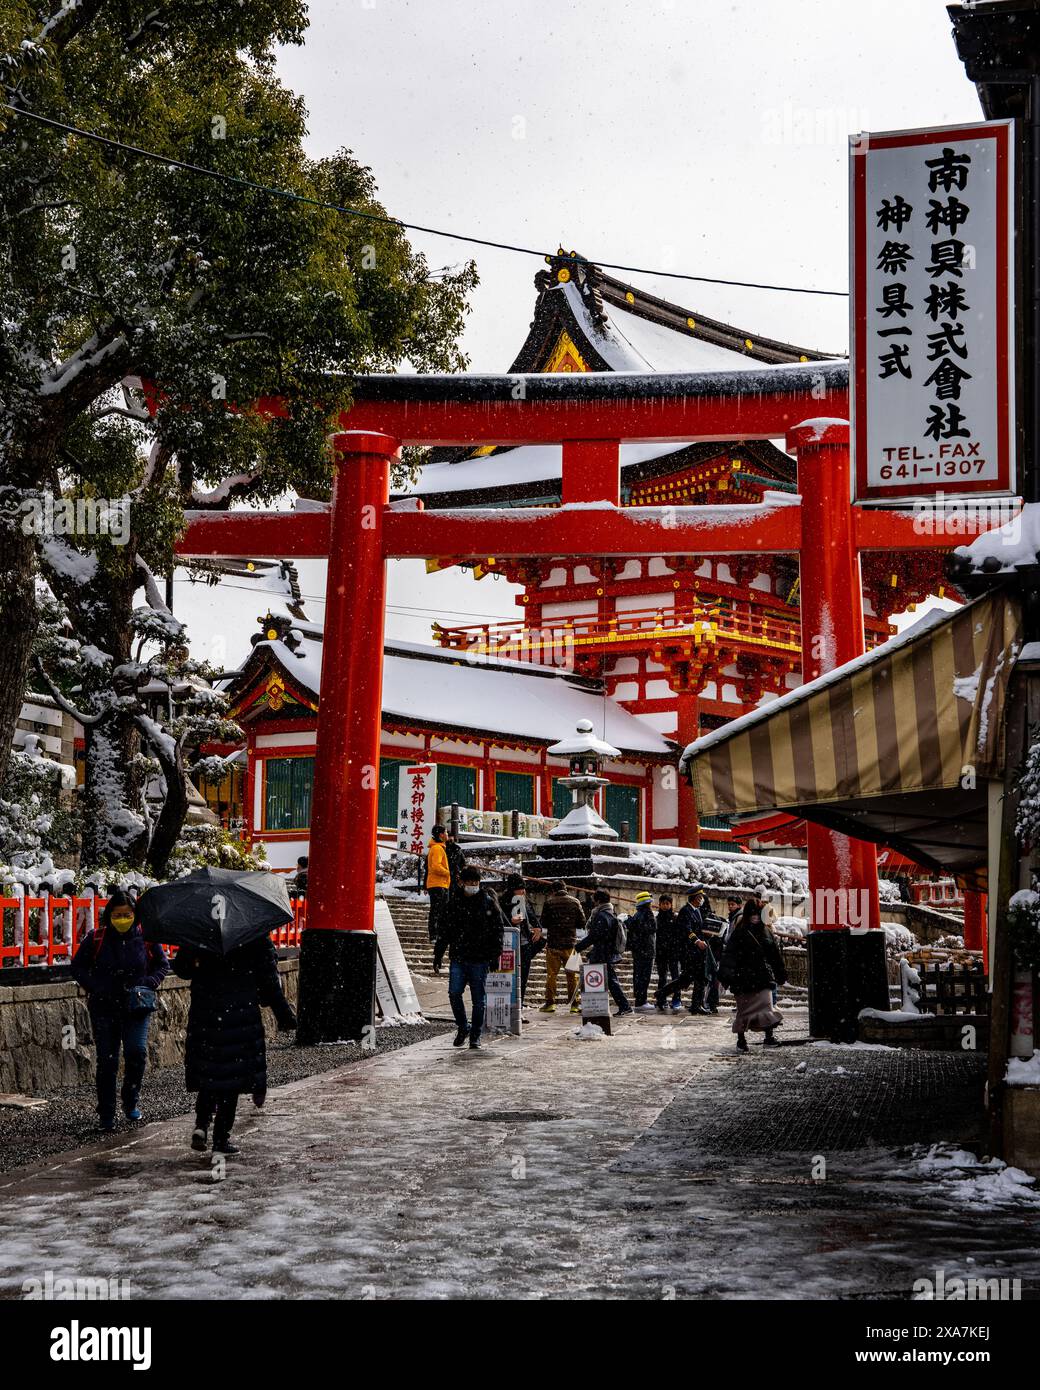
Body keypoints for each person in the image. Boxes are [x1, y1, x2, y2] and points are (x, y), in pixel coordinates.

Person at [175, 934, 297, 1154]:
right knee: (231, 1079)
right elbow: (269, 981)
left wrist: (195, 958)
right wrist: (285, 1016)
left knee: (210, 1071)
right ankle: (221, 1139)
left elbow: (182, 969)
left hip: (206, 1012)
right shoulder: (253, 933)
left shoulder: (201, 930)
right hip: (240, 1015)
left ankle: (202, 1123)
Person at [71, 891, 169, 1132]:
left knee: (137, 1052)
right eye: (117, 915)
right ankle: (106, 1112)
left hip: (136, 1007)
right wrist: (96, 986)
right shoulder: (97, 938)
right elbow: (78, 966)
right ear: (109, 915)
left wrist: (148, 982)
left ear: (135, 915)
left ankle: (130, 1098)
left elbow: (162, 965)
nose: (122, 919)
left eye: (127, 914)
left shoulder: (146, 938)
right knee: (107, 1061)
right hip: (104, 1008)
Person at [443, 864, 507, 1050]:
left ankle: (475, 1035)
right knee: (454, 993)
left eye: (476, 882)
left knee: (479, 1000)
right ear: (462, 883)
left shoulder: (488, 902)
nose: (473, 885)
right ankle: (463, 1027)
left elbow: (498, 930)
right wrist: (439, 953)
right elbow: (446, 930)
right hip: (459, 956)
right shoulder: (454, 902)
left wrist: (495, 955)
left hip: (480, 958)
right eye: (470, 882)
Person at [719, 892, 787, 1053]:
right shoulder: (740, 932)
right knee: (744, 1012)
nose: (755, 917)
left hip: (762, 976)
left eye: (758, 914)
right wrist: (725, 975)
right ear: (748, 914)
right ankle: (741, 1040)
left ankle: (768, 1037)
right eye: (753, 914)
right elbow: (730, 955)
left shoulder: (766, 932)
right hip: (743, 978)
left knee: (767, 1008)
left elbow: (774, 956)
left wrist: (780, 974)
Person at [575, 888, 631, 1017]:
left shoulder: (602, 915)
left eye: (594, 899)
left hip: (602, 954)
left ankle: (595, 1007)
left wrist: (579, 947)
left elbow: (595, 936)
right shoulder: (610, 913)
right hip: (605, 953)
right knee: (609, 981)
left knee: (596, 981)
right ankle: (623, 1005)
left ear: (598, 900)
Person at [654, 885, 709, 1013]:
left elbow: (698, 929)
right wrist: (696, 941)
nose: (702, 900)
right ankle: (663, 993)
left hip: (697, 951)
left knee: (694, 979)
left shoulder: (697, 911)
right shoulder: (686, 911)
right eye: (700, 897)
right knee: (688, 979)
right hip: (689, 951)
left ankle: (694, 1004)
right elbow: (687, 930)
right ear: (694, 898)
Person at [539, 880, 585, 1014]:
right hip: (571, 945)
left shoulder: (549, 903)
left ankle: (550, 1003)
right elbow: (582, 922)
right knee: (573, 976)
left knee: (551, 975)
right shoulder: (575, 902)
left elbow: (544, 922)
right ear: (565, 889)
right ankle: (575, 1004)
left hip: (553, 944)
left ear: (553, 891)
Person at [498, 872, 543, 1006]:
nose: (523, 891)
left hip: (524, 944)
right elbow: (497, 920)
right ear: (512, 888)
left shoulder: (522, 900)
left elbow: (532, 916)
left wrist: (538, 928)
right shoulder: (502, 901)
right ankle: (508, 1003)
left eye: (523, 888)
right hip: (508, 946)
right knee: (509, 977)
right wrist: (510, 922)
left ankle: (519, 1004)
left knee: (523, 977)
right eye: (520, 888)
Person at [422, 825, 452, 974]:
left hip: (440, 884)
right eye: (445, 832)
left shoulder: (439, 848)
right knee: (437, 910)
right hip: (438, 884)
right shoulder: (437, 849)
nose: (447, 834)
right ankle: (434, 933)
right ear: (440, 835)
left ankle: (436, 932)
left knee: (439, 910)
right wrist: (448, 872)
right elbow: (435, 867)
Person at [627, 891, 658, 1010]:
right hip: (647, 950)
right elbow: (653, 928)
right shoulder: (648, 914)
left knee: (638, 975)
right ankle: (642, 1001)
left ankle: (639, 999)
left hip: (638, 950)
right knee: (645, 976)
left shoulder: (637, 914)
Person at [654, 893, 683, 1012]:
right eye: (663, 904)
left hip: (673, 952)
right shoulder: (657, 918)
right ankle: (661, 999)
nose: (665, 906)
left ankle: (677, 999)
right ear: (659, 905)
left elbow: (679, 934)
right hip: (661, 952)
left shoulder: (675, 918)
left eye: (667, 903)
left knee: (676, 977)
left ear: (671, 905)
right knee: (662, 977)